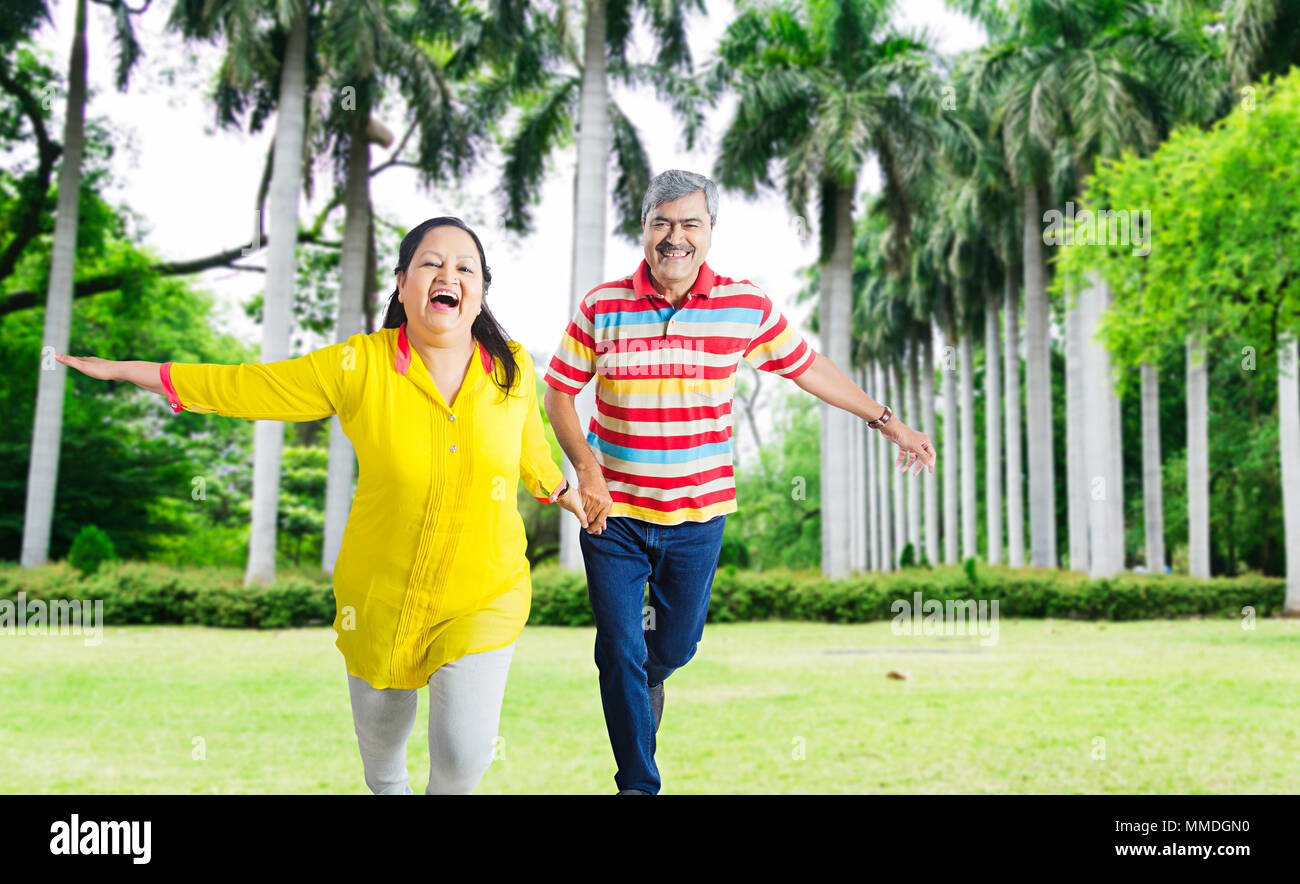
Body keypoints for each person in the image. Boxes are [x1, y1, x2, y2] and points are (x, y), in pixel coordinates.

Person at [56, 216, 589, 795]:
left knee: (463, 755)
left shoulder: (511, 367)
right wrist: (138, 373)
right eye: (431, 263)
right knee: (384, 763)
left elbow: (530, 448)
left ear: (481, 290)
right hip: (379, 594)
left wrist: (562, 491)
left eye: (465, 267)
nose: (448, 275)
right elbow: (248, 385)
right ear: (403, 283)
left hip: (485, 590)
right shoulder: (357, 366)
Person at [543, 170, 936, 795]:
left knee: (668, 650)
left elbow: (810, 368)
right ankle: (638, 786)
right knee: (618, 649)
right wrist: (587, 471)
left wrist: (886, 421)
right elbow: (558, 392)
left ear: (710, 232)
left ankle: (651, 676)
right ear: (644, 228)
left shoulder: (743, 305)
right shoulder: (602, 305)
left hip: (698, 517)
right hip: (612, 515)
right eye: (662, 222)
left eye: (690, 224)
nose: (676, 237)